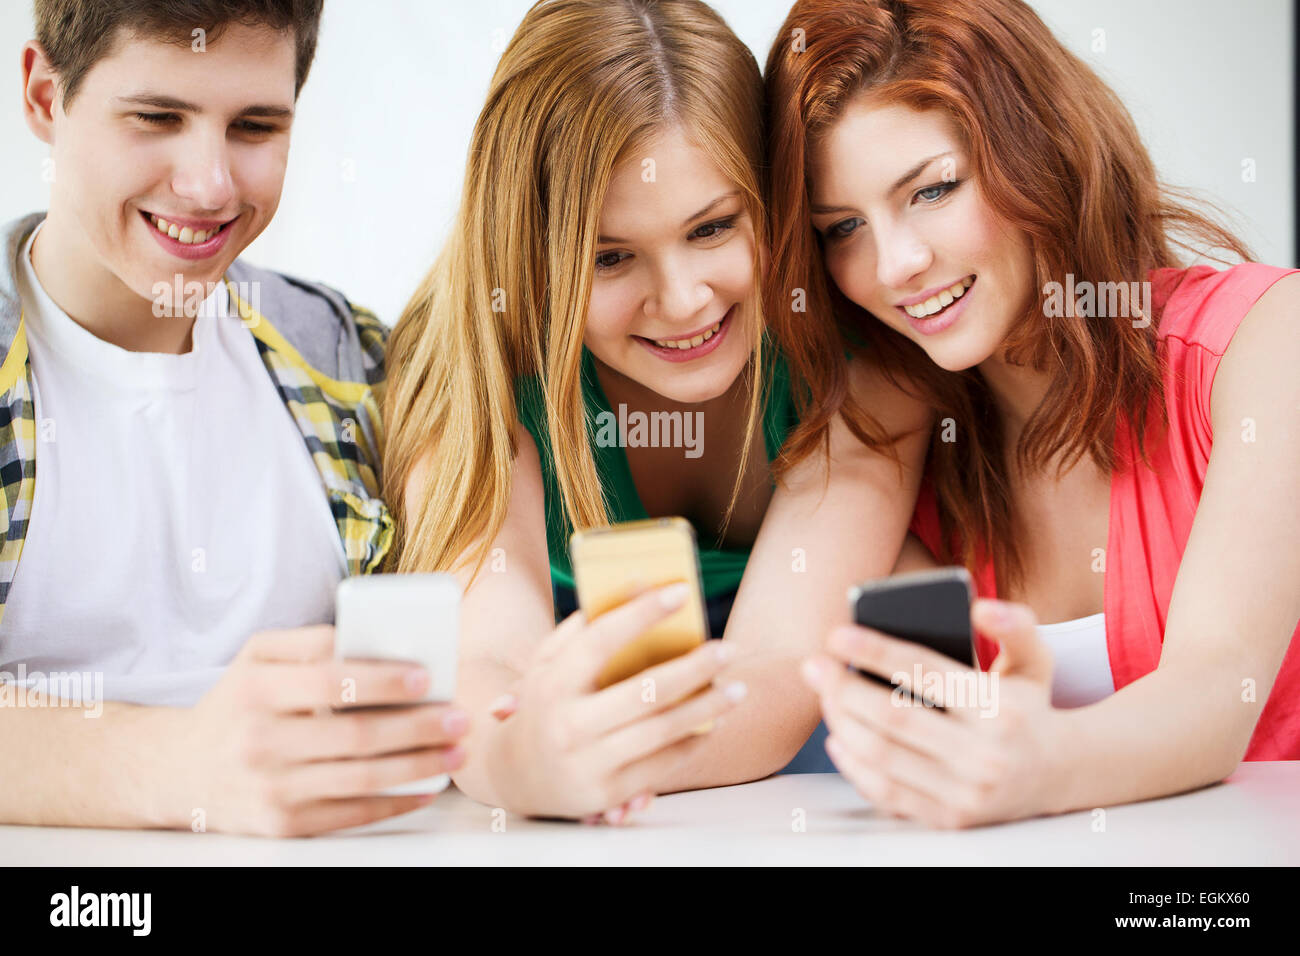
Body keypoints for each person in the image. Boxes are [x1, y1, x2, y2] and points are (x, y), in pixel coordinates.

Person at [385, 0, 930, 823]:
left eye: (712, 228)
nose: (681, 302)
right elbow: (488, 654)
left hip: (794, 776)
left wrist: (597, 757)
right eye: (609, 257)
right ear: (532, 254)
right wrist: (521, 759)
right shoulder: (477, 359)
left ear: (773, 199)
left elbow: (780, 671)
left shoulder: (860, 357)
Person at [764, 0, 1300, 828]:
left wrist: (1038, 760)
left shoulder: (1265, 341)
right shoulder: (901, 437)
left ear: (1035, 145)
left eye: (934, 189)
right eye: (843, 229)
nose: (896, 264)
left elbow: (1214, 689)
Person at [0, 0, 468, 837]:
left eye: (254, 127)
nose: (210, 184)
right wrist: (176, 763)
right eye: (157, 117)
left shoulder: (355, 362)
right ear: (44, 96)